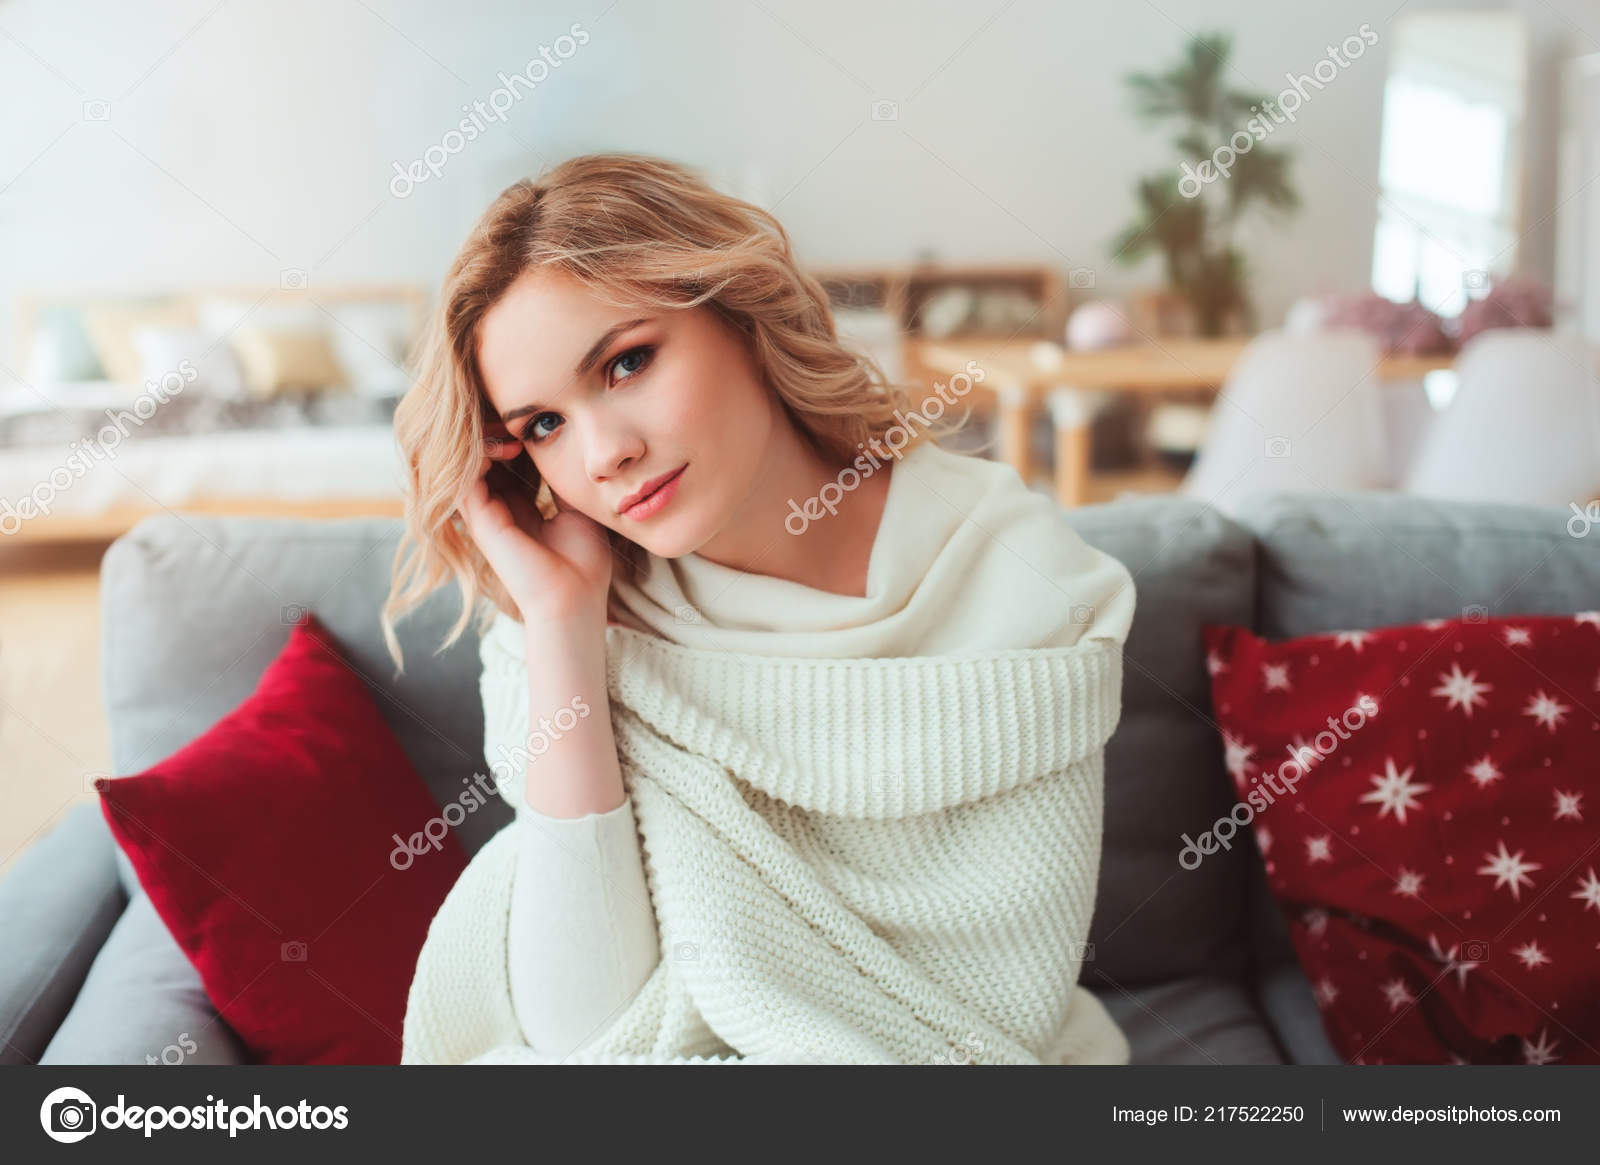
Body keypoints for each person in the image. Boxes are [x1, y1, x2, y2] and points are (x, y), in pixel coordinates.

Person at [382, 153, 1138, 1065]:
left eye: (627, 362)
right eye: (544, 424)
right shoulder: (562, 625)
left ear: (740, 314)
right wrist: (564, 626)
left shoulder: (1017, 581)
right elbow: (582, 1034)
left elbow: (994, 1010)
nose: (605, 453)